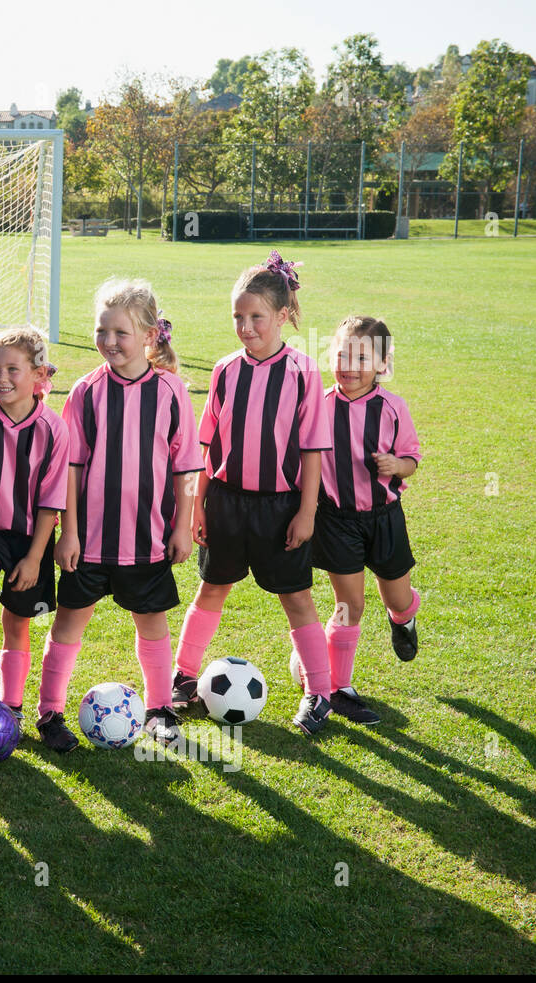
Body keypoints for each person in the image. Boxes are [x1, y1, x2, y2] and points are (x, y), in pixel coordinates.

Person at [171, 252, 334, 737]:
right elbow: (207, 445)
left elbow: (312, 452)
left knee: (297, 599)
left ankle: (319, 693)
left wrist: (306, 512)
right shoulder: (224, 370)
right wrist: (199, 506)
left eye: (256, 317)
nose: (245, 326)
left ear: (283, 316)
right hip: (225, 501)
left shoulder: (304, 372)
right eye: (238, 317)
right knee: (211, 589)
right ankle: (182, 678)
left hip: (281, 507)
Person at [36, 281, 203, 749]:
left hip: (147, 538)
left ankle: (159, 708)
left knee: (152, 623)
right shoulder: (87, 391)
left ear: (150, 335)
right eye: (102, 330)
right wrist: (67, 532)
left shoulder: (170, 392)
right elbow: (69, 466)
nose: (110, 341)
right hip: (88, 540)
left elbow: (186, 465)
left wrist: (183, 526)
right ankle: (50, 713)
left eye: (121, 332)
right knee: (68, 624)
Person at [0, 328, 69, 742]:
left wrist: (35, 557)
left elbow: (51, 502)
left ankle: (14, 707)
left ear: (38, 375)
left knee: (18, 622)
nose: (1, 377)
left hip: (30, 538)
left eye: (12, 369)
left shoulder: (54, 429)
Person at [306, 316, 422, 723]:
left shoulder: (392, 408)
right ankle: (337, 686)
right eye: (341, 354)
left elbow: (412, 461)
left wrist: (396, 464)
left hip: (385, 518)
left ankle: (403, 619)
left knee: (397, 598)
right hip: (336, 520)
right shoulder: (316, 405)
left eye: (361, 357)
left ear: (382, 364)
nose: (349, 365)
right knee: (348, 605)